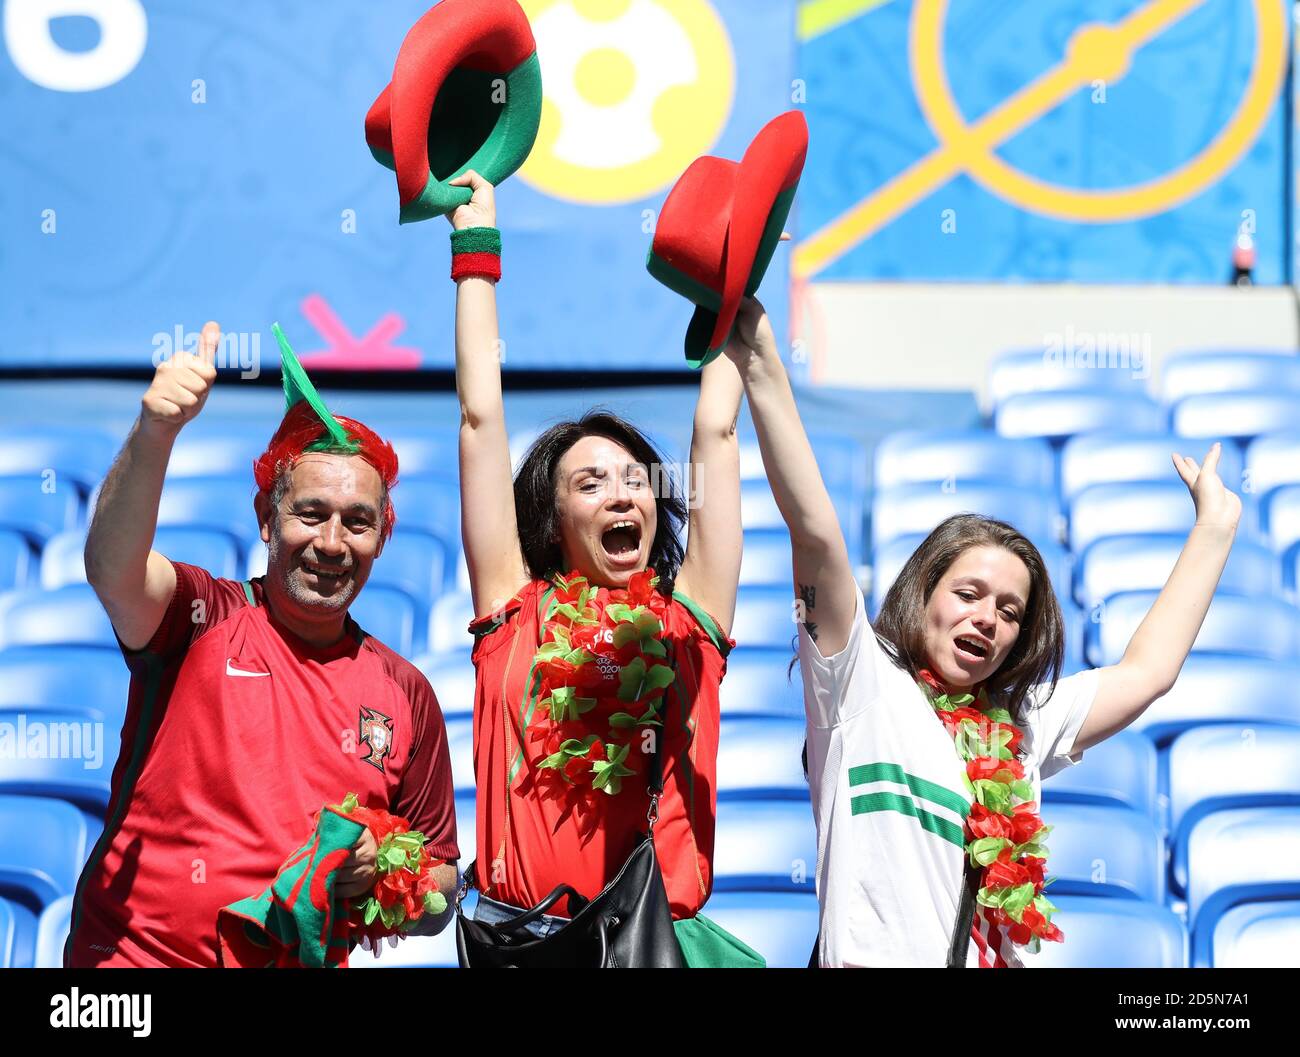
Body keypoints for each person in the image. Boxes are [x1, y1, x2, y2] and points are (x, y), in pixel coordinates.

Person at [721, 297, 1241, 968]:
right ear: (922, 595)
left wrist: (1214, 531)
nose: (988, 617)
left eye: (1010, 610)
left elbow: (1147, 673)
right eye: (968, 593)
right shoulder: (859, 684)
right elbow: (816, 533)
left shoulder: (1020, 722)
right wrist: (761, 355)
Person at [65, 324, 459, 967]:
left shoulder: (405, 692)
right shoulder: (199, 617)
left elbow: (445, 881)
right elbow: (113, 569)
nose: (333, 542)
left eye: (358, 522)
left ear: (382, 540)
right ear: (264, 520)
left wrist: (389, 876)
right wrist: (155, 434)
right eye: (310, 513)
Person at [447, 171, 751, 963]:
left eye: (634, 481)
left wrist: (740, 275)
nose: (622, 494)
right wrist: (475, 248)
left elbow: (716, 435)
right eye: (591, 483)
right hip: (520, 948)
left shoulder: (690, 627)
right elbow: (481, 421)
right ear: (553, 519)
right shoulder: (511, 614)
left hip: (650, 949)